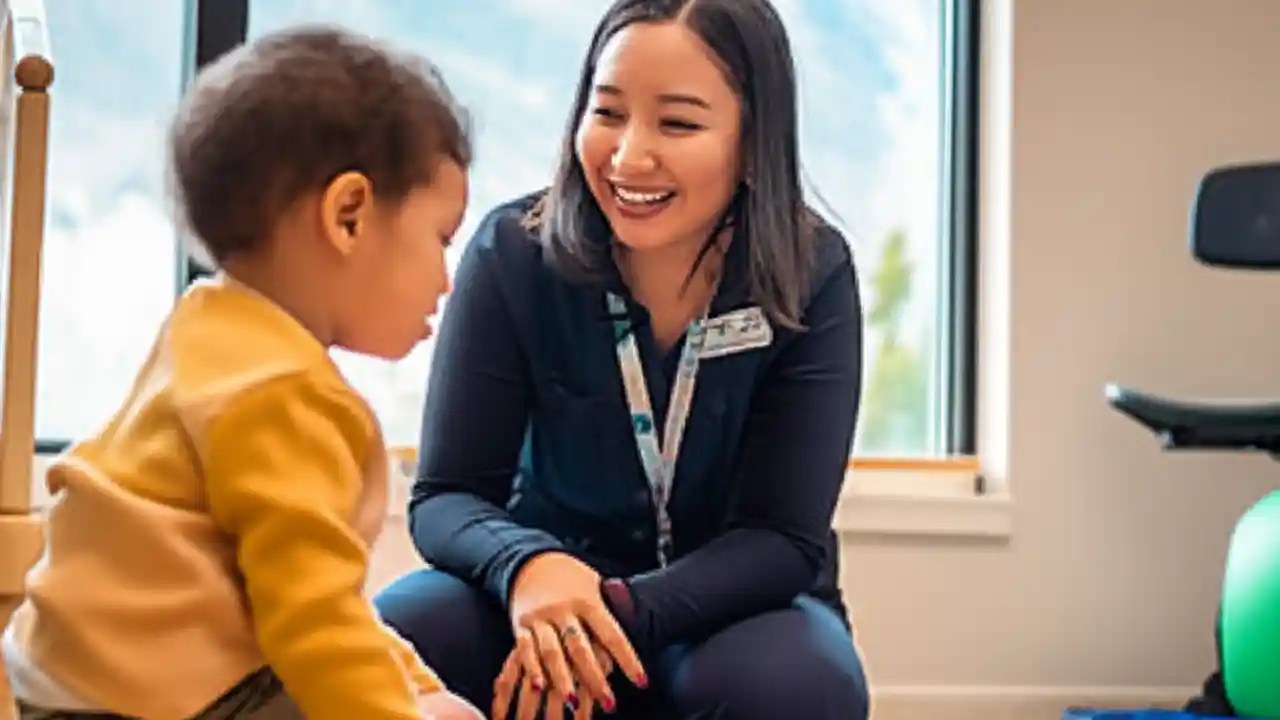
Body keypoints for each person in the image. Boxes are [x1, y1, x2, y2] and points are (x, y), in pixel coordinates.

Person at [375, 1, 870, 718]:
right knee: (405, 633)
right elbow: (446, 495)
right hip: (544, 594)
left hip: (734, 611)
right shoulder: (513, 251)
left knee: (794, 684)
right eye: (607, 113)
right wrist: (529, 567)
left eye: (678, 124)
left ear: (753, 139)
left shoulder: (812, 270)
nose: (629, 156)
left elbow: (781, 538)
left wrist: (611, 614)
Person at [1, 25, 484, 720]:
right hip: (149, 703)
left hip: (73, 677)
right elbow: (316, 627)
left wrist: (421, 685)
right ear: (348, 215)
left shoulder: (211, 325)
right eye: (441, 238)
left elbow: (326, 601)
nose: (445, 280)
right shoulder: (284, 395)